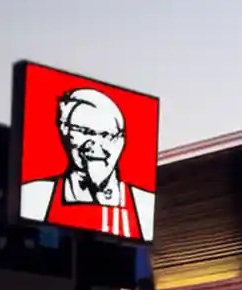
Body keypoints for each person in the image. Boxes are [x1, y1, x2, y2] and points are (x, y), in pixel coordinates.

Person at [19, 88, 155, 241]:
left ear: (122, 140)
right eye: (85, 132)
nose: (96, 145)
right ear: (65, 130)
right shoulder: (35, 197)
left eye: (107, 135)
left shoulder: (144, 205)